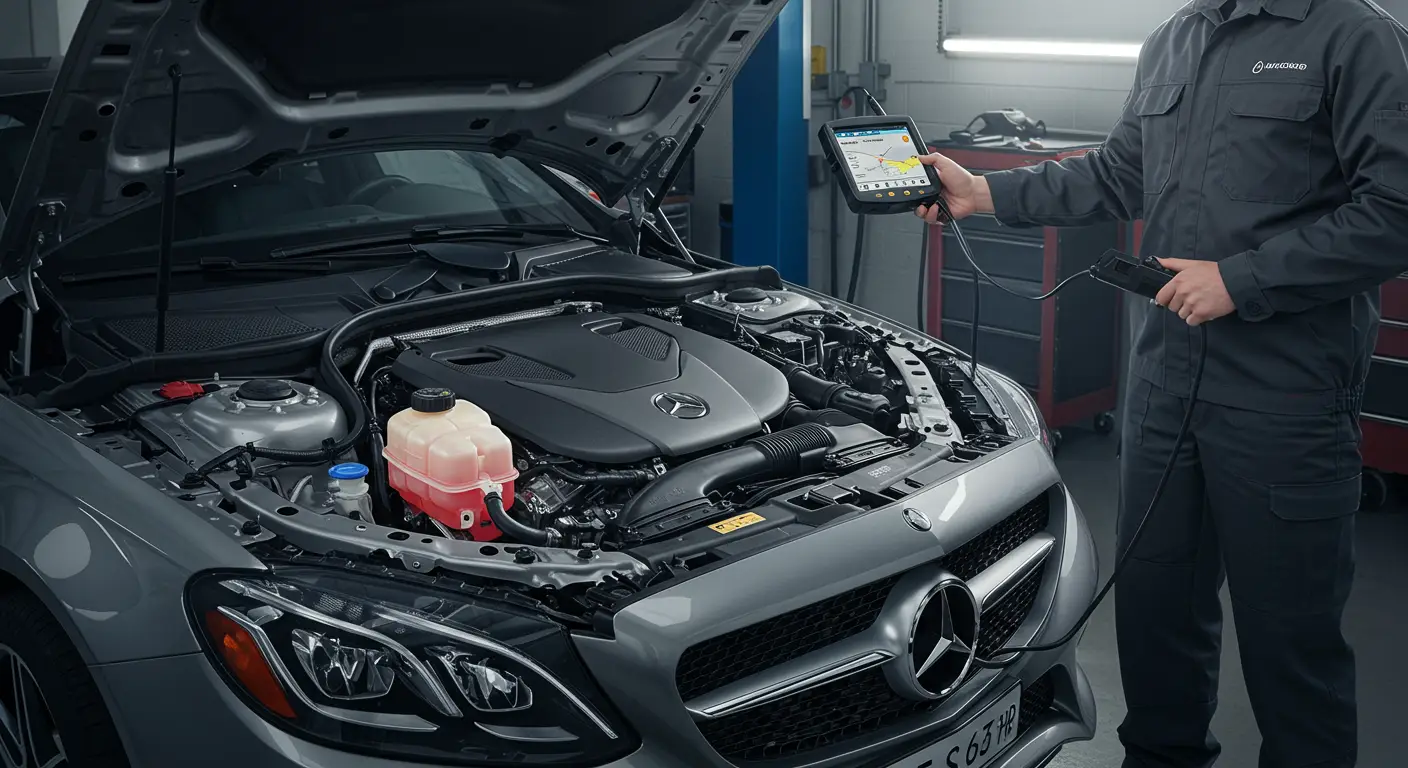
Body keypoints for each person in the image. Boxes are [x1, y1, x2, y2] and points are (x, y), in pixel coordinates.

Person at [915, 1, 1408, 766]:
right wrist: (986, 193)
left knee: (1290, 643)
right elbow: (1120, 174)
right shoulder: (1176, 38)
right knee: (1155, 619)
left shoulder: (1356, 35)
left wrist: (1243, 281)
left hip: (1288, 395)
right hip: (1164, 383)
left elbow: (1396, 210)